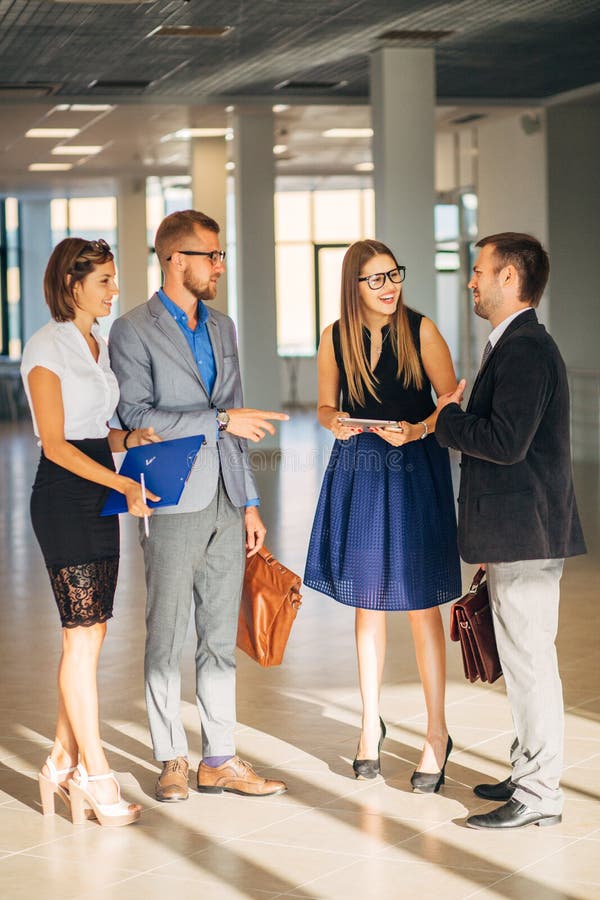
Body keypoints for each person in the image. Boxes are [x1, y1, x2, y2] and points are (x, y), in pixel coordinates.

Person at [109, 209, 289, 802]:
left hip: (224, 501)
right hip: (168, 497)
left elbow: (234, 423)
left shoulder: (224, 327)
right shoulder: (132, 330)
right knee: (167, 634)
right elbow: (137, 417)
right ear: (174, 259)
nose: (219, 265)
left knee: (217, 634)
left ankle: (219, 757)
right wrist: (217, 420)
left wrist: (251, 503)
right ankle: (171, 759)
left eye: (220, 254)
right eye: (209, 255)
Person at [436, 232, 586, 829]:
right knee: (524, 656)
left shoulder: (525, 348)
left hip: (526, 531)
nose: (471, 280)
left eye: (479, 270)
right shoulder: (514, 344)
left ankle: (542, 792)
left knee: (530, 659)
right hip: (515, 531)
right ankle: (528, 768)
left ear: (509, 278)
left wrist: (447, 418)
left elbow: (504, 442)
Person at [304, 239, 462, 791]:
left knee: (421, 608)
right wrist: (336, 423)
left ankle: (437, 733)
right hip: (362, 471)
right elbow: (324, 407)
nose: (390, 286)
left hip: (416, 470)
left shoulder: (422, 331)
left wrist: (418, 430)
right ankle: (369, 725)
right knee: (367, 604)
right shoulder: (334, 337)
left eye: (394, 274)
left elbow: (452, 404)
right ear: (354, 287)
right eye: (376, 279)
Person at [21, 237, 161, 827]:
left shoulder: (95, 343)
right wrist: (123, 482)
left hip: (98, 486)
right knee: (81, 633)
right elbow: (55, 444)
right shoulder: (45, 346)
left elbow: (92, 431)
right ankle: (95, 770)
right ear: (72, 284)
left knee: (93, 632)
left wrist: (130, 443)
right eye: (104, 280)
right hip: (63, 497)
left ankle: (59, 758)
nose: (114, 289)